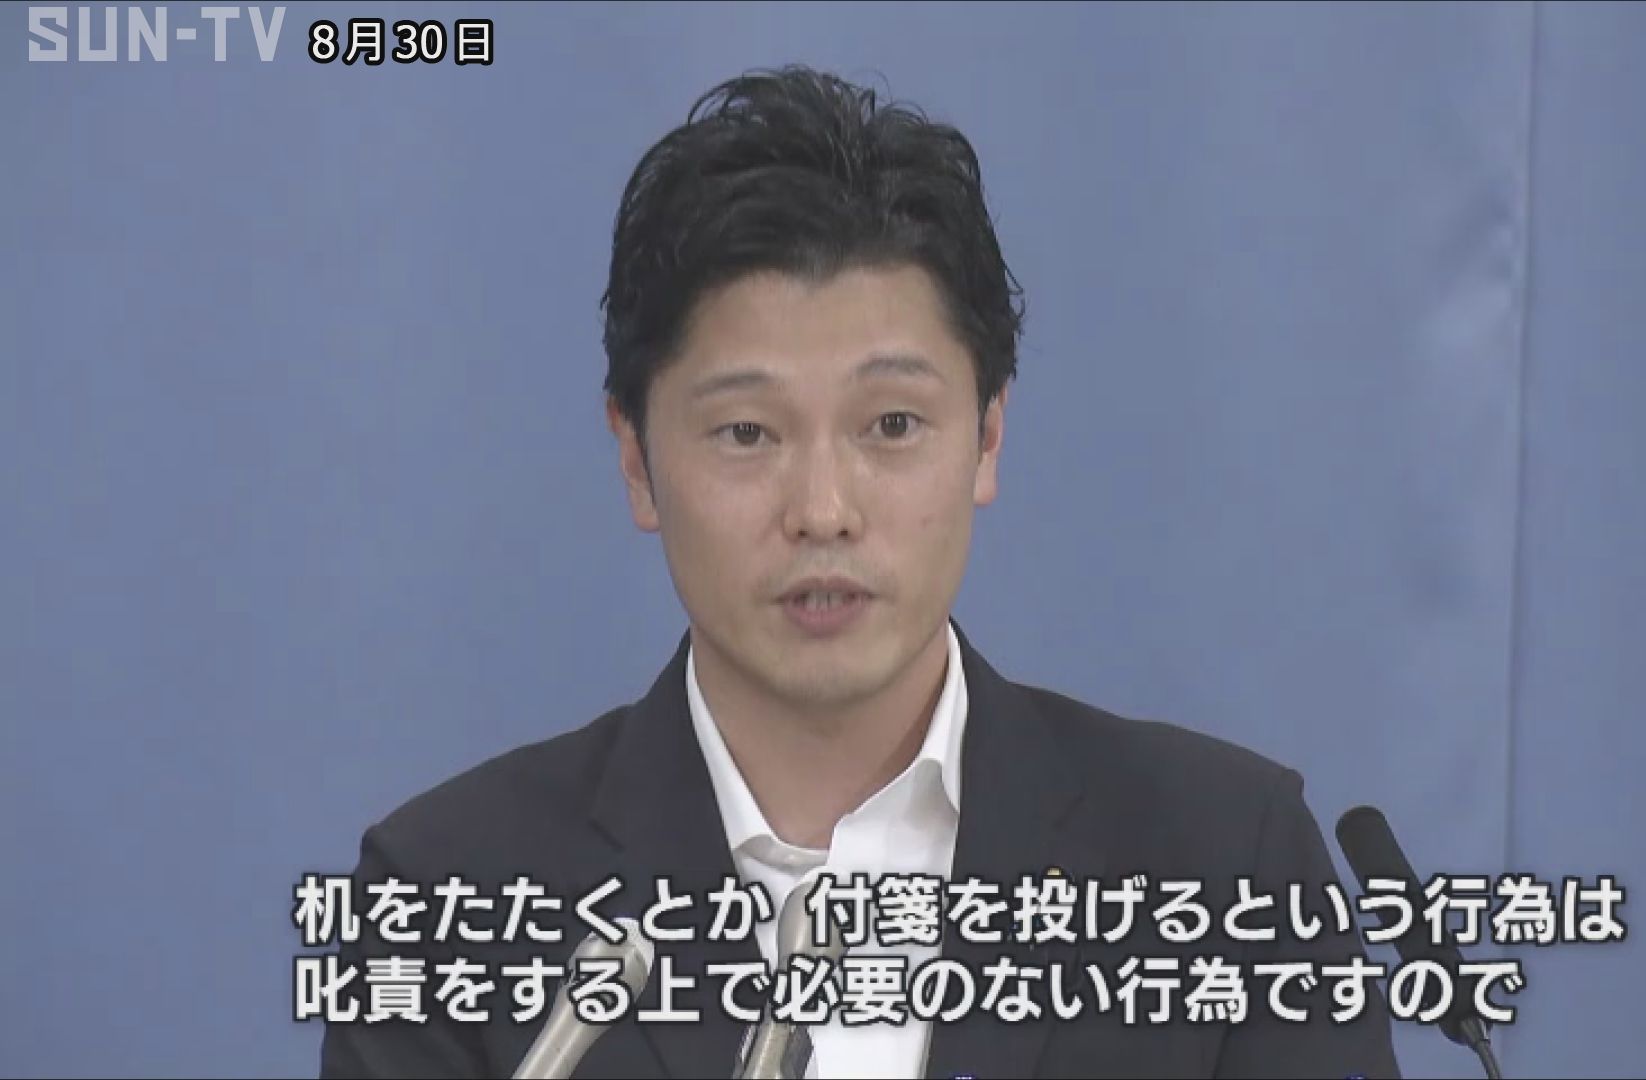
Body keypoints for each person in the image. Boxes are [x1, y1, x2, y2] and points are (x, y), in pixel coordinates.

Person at [317, 65, 1402, 1080]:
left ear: (987, 438)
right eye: (747, 433)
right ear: (637, 460)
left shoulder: (1222, 867)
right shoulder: (447, 902)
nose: (824, 511)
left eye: (891, 424)